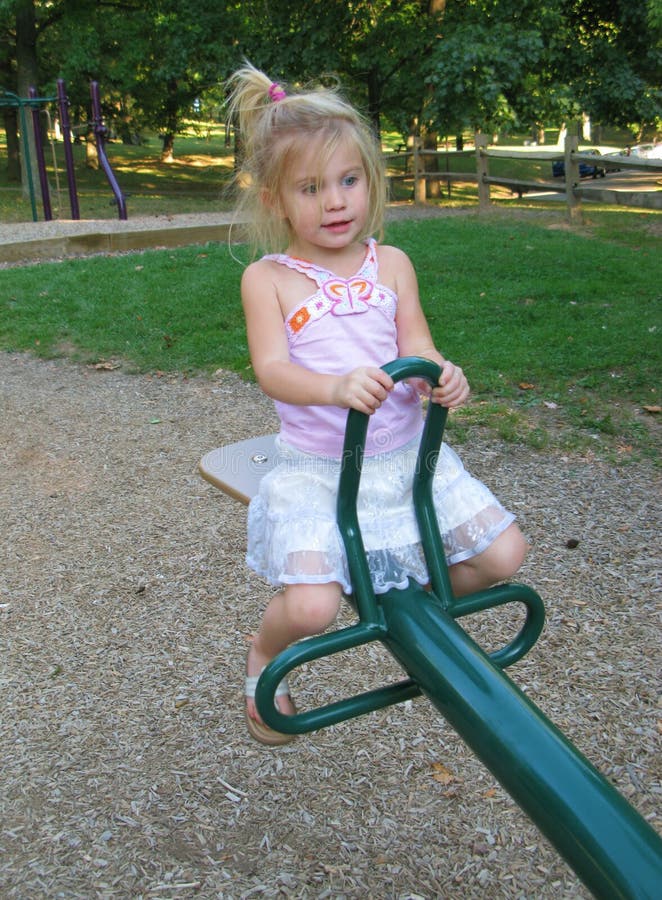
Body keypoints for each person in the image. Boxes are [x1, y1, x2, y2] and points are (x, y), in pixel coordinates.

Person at [227, 62, 528, 746]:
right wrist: (334, 387)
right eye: (311, 188)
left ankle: (405, 598)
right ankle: (264, 651)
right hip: (324, 473)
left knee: (503, 556)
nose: (334, 202)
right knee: (309, 607)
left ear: (370, 181)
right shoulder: (269, 279)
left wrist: (442, 377)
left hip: (404, 467)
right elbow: (273, 370)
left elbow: (418, 345)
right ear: (276, 200)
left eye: (348, 181)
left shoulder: (391, 265)